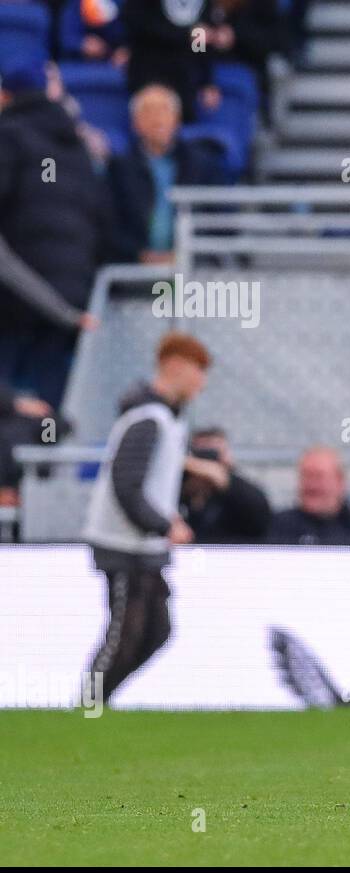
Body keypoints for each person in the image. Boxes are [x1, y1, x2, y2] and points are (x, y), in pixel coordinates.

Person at [82, 333, 212, 704]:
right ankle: (89, 705)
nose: (201, 383)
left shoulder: (166, 420)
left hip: (144, 544)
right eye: (198, 371)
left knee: (156, 629)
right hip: (122, 543)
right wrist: (164, 523)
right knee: (126, 631)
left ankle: (100, 701)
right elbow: (127, 485)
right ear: (175, 367)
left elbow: (151, 481)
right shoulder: (147, 418)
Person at [0, 61, 107, 409]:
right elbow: (96, 216)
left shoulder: (8, 135)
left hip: (16, 299)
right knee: (50, 417)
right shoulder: (76, 145)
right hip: (70, 295)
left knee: (10, 413)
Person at [107, 84, 227, 264]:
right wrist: (140, 256)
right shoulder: (119, 169)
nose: (157, 119)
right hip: (132, 271)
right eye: (148, 112)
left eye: (164, 110)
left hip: (194, 269)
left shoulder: (202, 165)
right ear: (135, 123)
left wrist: (186, 255)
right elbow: (108, 226)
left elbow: (218, 222)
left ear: (177, 120)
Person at [265, 447, 350, 545]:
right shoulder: (276, 528)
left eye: (318, 476)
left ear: (340, 481)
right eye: (306, 476)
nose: (311, 485)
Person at [179, 427, 272, 544]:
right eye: (202, 453)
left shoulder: (241, 495)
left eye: (213, 453)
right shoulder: (180, 493)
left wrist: (224, 478)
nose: (207, 461)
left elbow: (260, 515)